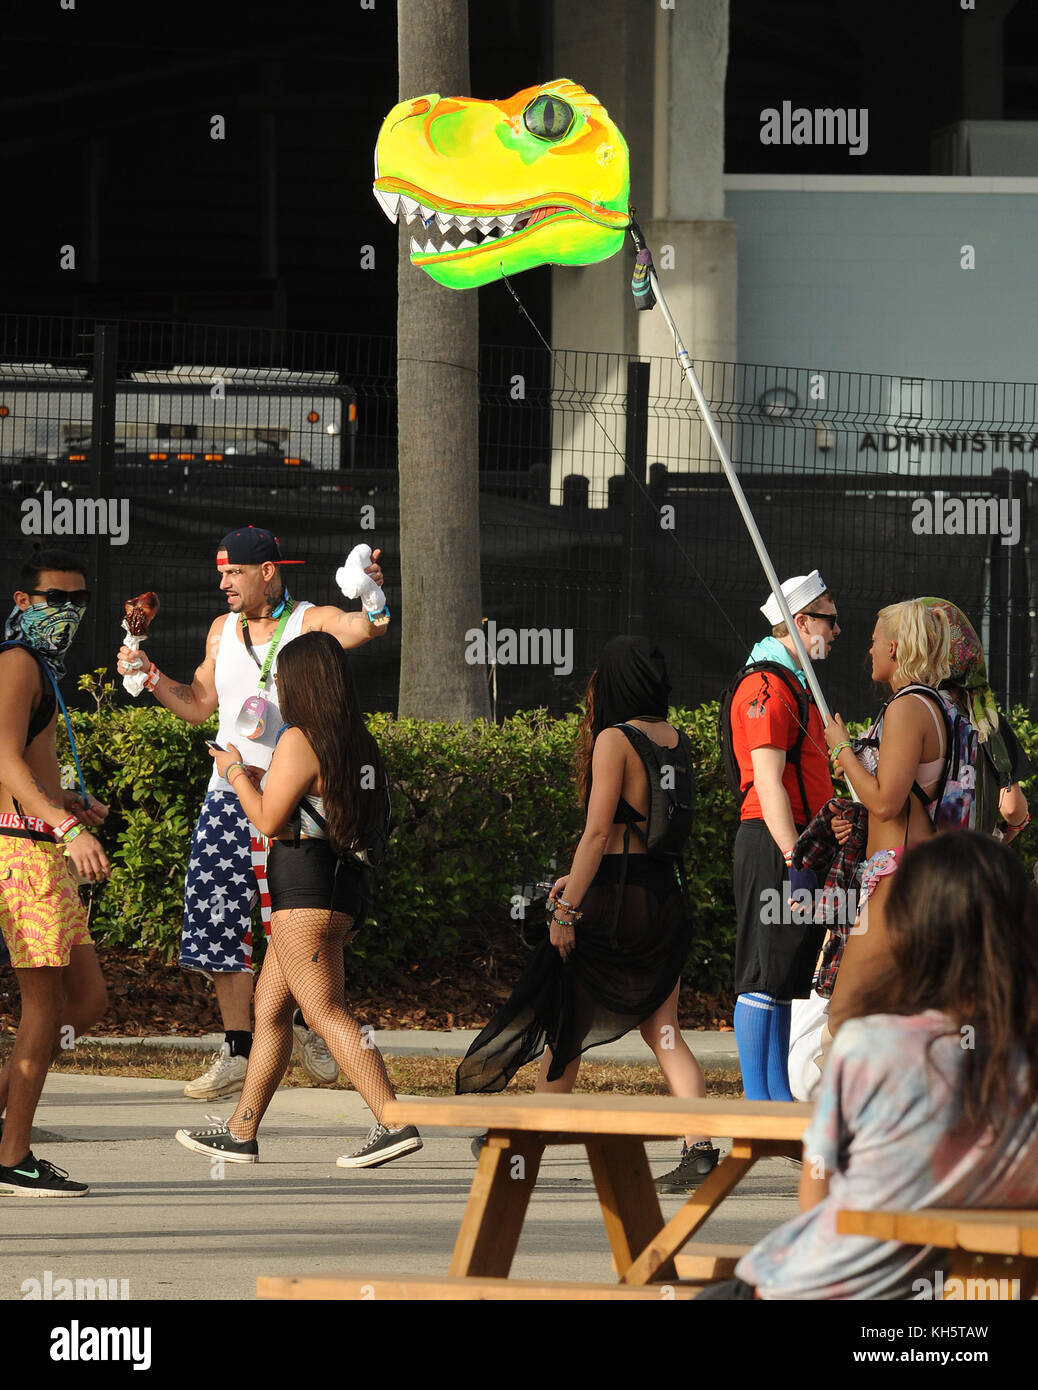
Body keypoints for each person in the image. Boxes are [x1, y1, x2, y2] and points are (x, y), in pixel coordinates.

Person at [697, 831, 1038, 1299]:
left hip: (818, 1286)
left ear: (911, 928)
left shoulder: (872, 1045)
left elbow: (816, 1188)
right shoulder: (1022, 1057)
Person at [115, 526, 388, 1100]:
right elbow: (198, 706)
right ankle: (239, 1049)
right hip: (227, 794)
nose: (223, 584)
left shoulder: (308, 620)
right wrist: (150, 676)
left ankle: (312, 1022)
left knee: (290, 927)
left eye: (233, 573)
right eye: (221, 572)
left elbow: (370, 627)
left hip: (294, 803)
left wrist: (371, 591)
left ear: (268, 571)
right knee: (217, 921)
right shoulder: (222, 630)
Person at [456, 636, 715, 1195]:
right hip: (664, 893)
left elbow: (599, 833)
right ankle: (700, 1146)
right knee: (665, 1029)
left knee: (568, 1018)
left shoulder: (614, 741)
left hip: (614, 900)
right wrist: (574, 881)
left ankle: (528, 1142)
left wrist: (567, 907)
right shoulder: (677, 740)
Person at [173, 631, 421, 1169]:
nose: (278, 687)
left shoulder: (299, 738)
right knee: (271, 1009)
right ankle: (242, 1131)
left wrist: (234, 770)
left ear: (304, 682)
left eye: (282, 677)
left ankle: (393, 1120)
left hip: (305, 892)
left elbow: (265, 819)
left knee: (325, 1009)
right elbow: (315, 803)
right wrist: (260, 779)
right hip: (340, 889)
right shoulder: (355, 739)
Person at [0, 549, 110, 1196]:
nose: (66, 613)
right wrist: (66, 826)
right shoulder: (17, 662)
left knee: (86, 1002)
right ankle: (14, 1154)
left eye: (77, 601)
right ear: (22, 602)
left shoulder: (40, 665)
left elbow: (28, 772)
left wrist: (67, 804)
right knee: (43, 1007)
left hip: (39, 842)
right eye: (53, 600)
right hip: (25, 851)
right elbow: (4, 761)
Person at [824, 599, 969, 1033]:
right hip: (901, 872)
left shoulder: (909, 707)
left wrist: (843, 749)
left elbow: (887, 802)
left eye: (873, 642)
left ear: (894, 647)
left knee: (846, 1017)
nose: (868, 651)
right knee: (892, 1015)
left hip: (897, 876)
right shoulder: (929, 705)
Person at [727, 570, 839, 1101]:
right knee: (761, 972)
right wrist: (794, 854)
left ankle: (775, 1107)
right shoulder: (767, 688)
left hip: (800, 842)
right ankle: (758, 1104)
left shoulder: (794, 686)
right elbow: (766, 779)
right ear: (800, 622)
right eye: (828, 620)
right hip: (777, 841)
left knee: (784, 977)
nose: (836, 631)